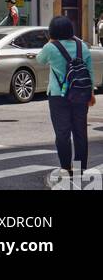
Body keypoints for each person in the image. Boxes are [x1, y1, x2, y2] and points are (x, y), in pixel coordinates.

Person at [37, 15, 96, 184]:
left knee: (62, 133)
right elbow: (90, 72)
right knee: (80, 132)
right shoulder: (82, 46)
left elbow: (40, 60)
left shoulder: (51, 47)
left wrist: (49, 43)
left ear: (52, 31)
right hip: (80, 95)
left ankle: (66, 168)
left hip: (58, 96)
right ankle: (79, 169)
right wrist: (90, 93)